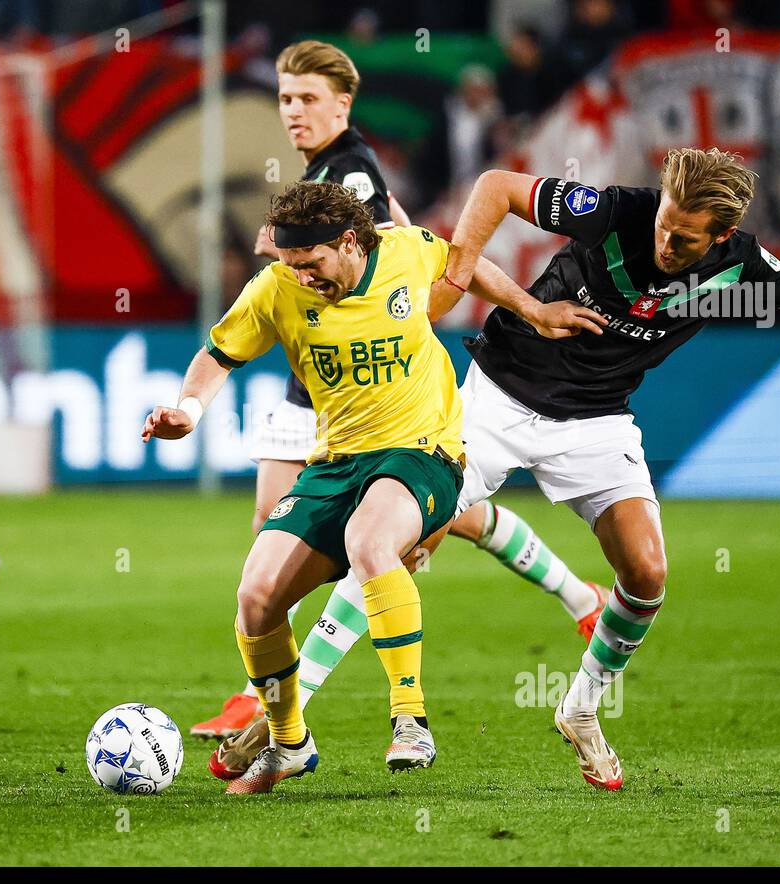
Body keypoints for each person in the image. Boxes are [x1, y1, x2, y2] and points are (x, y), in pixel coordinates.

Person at [191, 39, 605, 742]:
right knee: (430, 521)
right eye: (286, 99)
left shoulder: (348, 175)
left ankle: (279, 709)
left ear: (342, 104)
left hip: (362, 387)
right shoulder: (330, 171)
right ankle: (578, 595)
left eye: (308, 100)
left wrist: (526, 308)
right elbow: (415, 241)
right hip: (324, 386)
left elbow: (412, 251)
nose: (293, 112)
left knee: (370, 536)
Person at [146, 179, 605, 793]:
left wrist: (533, 308)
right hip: (335, 462)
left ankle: (410, 718)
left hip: (426, 450)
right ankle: (288, 744)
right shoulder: (277, 288)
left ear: (347, 242)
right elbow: (217, 354)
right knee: (256, 598)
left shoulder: (407, 252)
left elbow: (464, 266)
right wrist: (189, 411)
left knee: (370, 541)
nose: (301, 277)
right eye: (290, 265)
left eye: (311, 264)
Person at [433, 146, 780, 789]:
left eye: (684, 238)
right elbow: (496, 186)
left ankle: (581, 708)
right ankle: (277, 717)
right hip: (501, 393)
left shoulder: (742, 264)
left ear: (719, 237)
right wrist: (462, 268)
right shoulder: (613, 212)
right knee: (408, 534)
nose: (665, 241)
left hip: (598, 419)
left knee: (647, 572)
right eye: (664, 223)